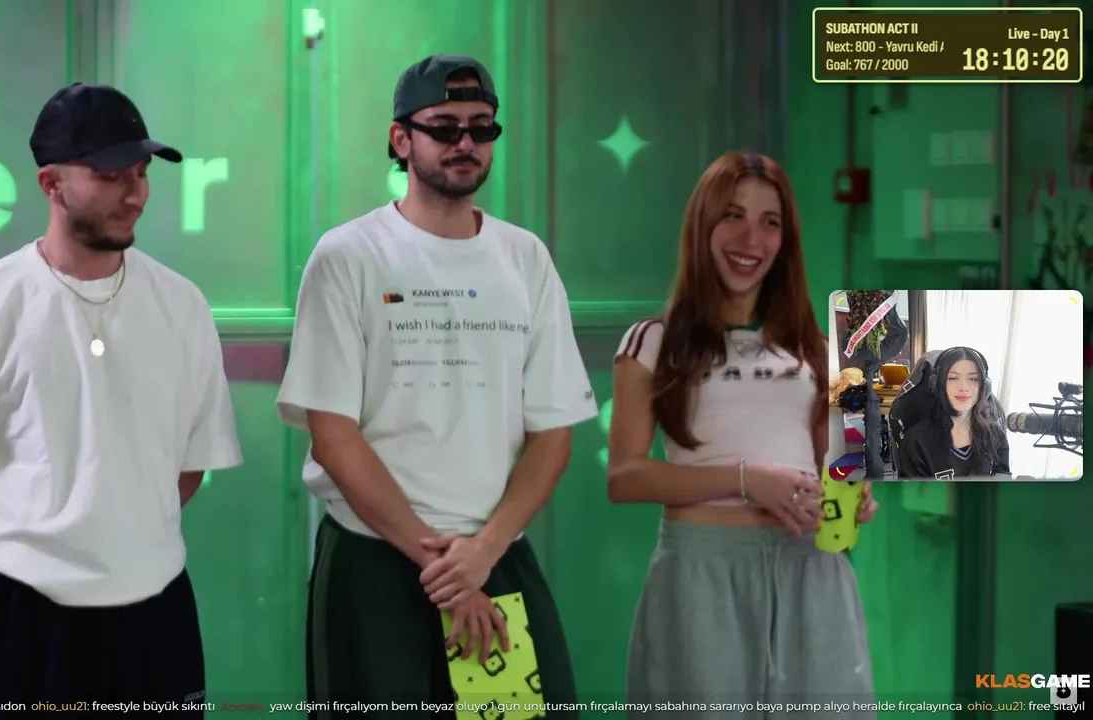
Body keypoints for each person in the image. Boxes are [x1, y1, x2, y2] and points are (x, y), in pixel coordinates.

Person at [0, 83, 242, 718]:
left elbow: (189, 465)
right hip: (21, 618)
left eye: (141, 173)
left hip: (156, 609)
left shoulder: (183, 306)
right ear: (50, 184)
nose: (135, 193)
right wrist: (35, 552)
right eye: (111, 175)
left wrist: (118, 537)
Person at [276, 55, 595, 717]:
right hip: (375, 564)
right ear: (401, 139)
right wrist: (444, 568)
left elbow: (553, 433)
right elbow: (333, 437)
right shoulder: (349, 255)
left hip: (494, 558)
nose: (465, 143)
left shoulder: (525, 258)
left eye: (481, 128)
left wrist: (483, 553)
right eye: (445, 127)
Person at [607, 152, 879, 718]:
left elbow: (839, 470)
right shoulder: (653, 341)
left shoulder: (818, 350)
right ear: (702, 225)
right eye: (732, 215)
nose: (750, 239)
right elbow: (625, 478)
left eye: (769, 222)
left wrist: (855, 498)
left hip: (812, 572)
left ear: (786, 240)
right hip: (701, 573)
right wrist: (746, 480)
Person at [893, 346, 1009, 480]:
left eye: (973, 379)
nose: (964, 388)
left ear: (984, 387)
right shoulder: (917, 442)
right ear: (938, 384)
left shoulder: (996, 435)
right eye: (953, 378)